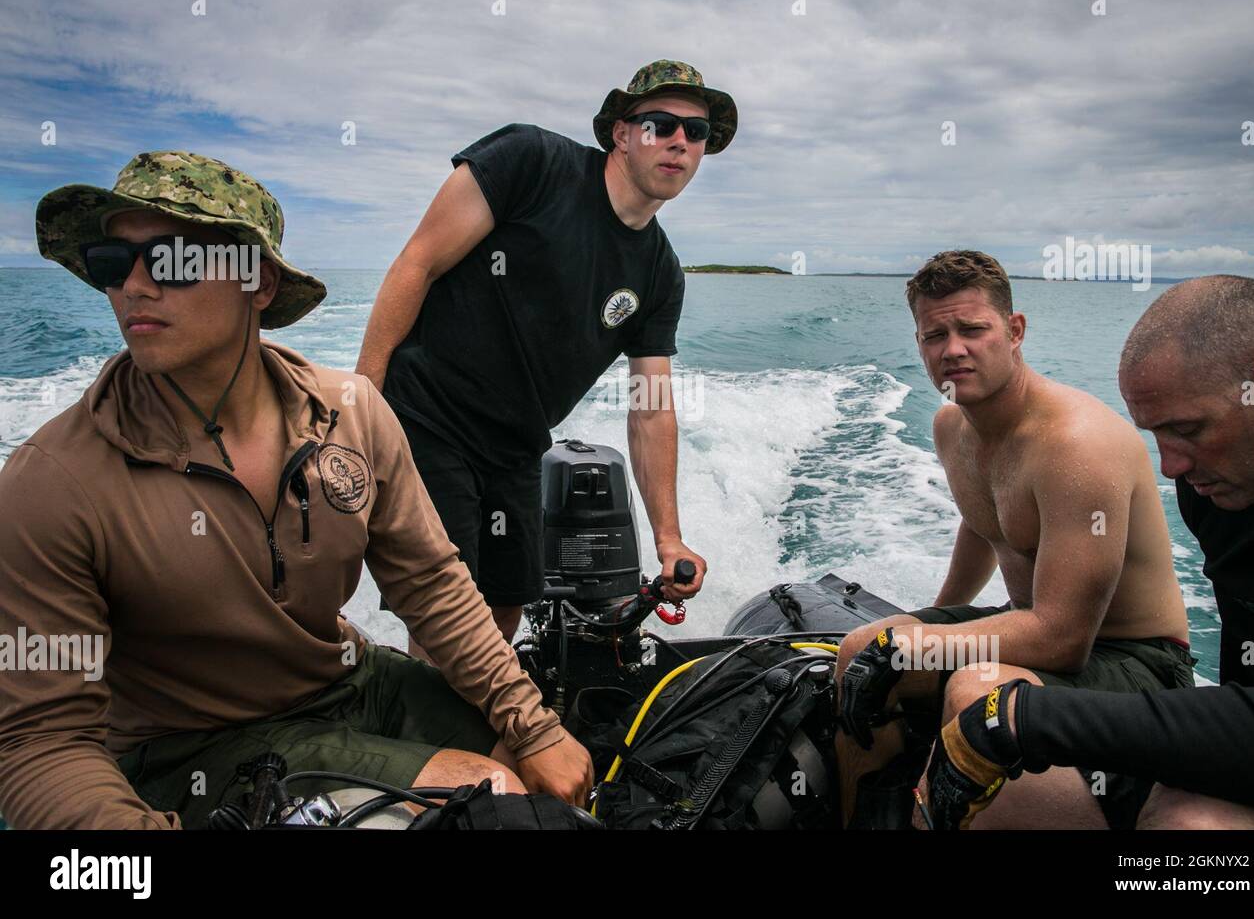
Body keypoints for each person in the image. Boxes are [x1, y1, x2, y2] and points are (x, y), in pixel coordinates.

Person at [0, 151, 591, 829]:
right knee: (491, 796)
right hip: (190, 746)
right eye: (111, 262)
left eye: (171, 260)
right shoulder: (53, 481)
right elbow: (40, 742)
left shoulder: (354, 412)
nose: (133, 285)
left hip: (352, 683)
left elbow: (431, 584)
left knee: (552, 768)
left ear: (258, 283)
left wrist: (533, 722)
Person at [354, 60, 734, 652]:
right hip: (428, 417)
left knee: (504, 610)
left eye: (697, 132)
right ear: (621, 132)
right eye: (660, 123)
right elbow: (418, 262)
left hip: (517, 447)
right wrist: (363, 404)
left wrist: (669, 537)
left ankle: (463, 726)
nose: (679, 141)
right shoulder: (529, 161)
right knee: (445, 617)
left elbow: (652, 407)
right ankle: (430, 740)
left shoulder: (660, 274)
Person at [834, 250, 1194, 829]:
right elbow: (984, 523)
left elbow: (1063, 639)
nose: (953, 349)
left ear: (1015, 330)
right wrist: (921, 623)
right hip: (1031, 622)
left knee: (977, 689)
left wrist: (913, 647)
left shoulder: (1076, 445)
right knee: (860, 649)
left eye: (973, 329)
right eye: (935, 335)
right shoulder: (952, 424)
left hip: (1132, 657)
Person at [926, 275, 1254, 829]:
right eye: (1156, 435)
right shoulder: (1221, 488)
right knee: (1018, 797)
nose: (1170, 466)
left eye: (1188, 429)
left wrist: (1032, 718)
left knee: (1191, 831)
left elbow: (1063, 639)